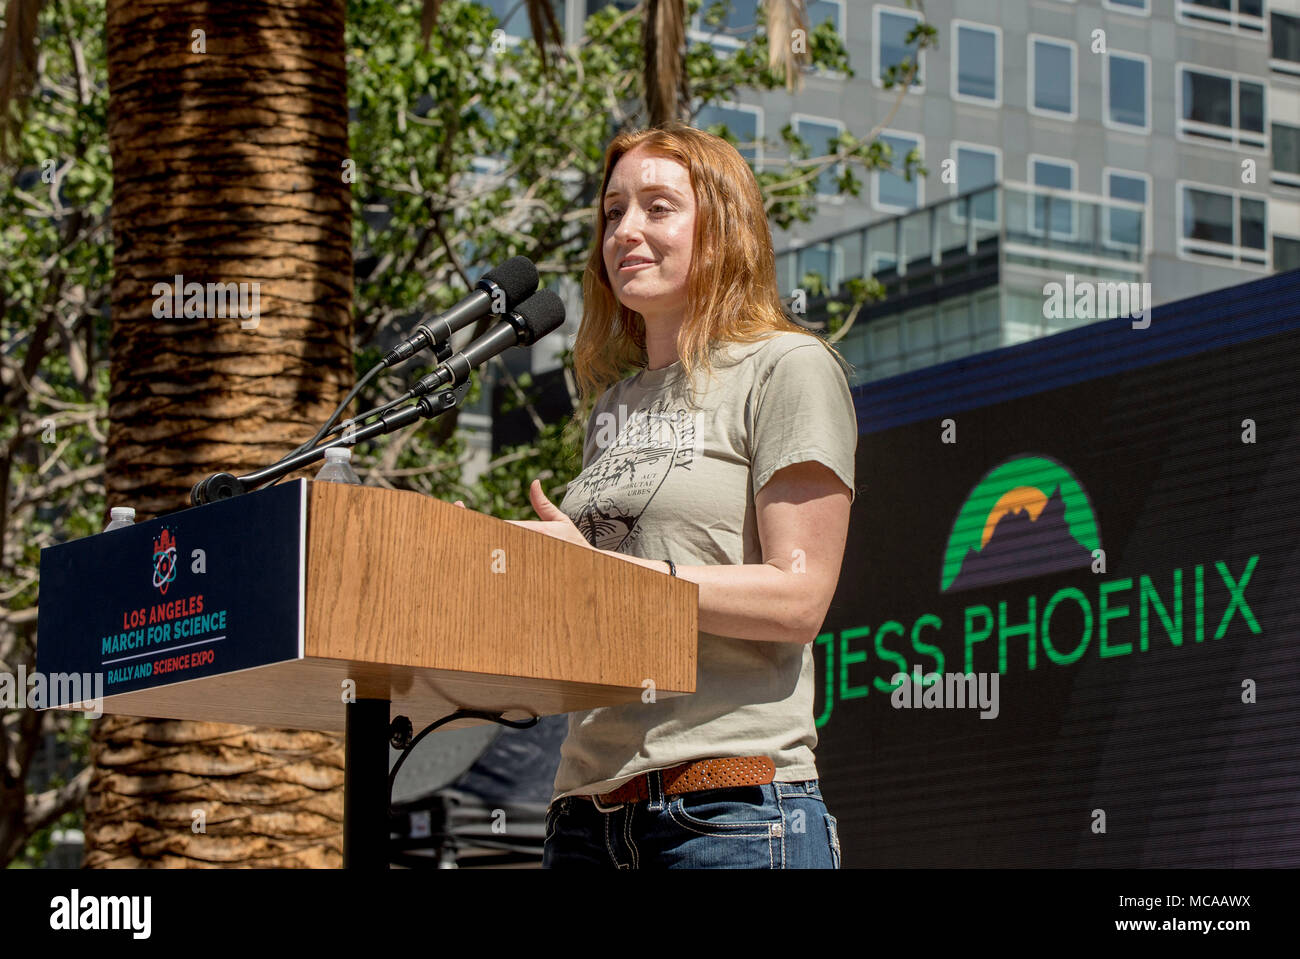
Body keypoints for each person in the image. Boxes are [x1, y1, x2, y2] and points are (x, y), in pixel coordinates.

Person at [464, 121, 857, 868]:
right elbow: (603, 610)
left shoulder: (788, 367)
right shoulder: (613, 407)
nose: (625, 230)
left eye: (657, 207)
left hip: (728, 813)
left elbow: (798, 599)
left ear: (721, 228)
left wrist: (598, 573)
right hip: (585, 817)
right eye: (613, 212)